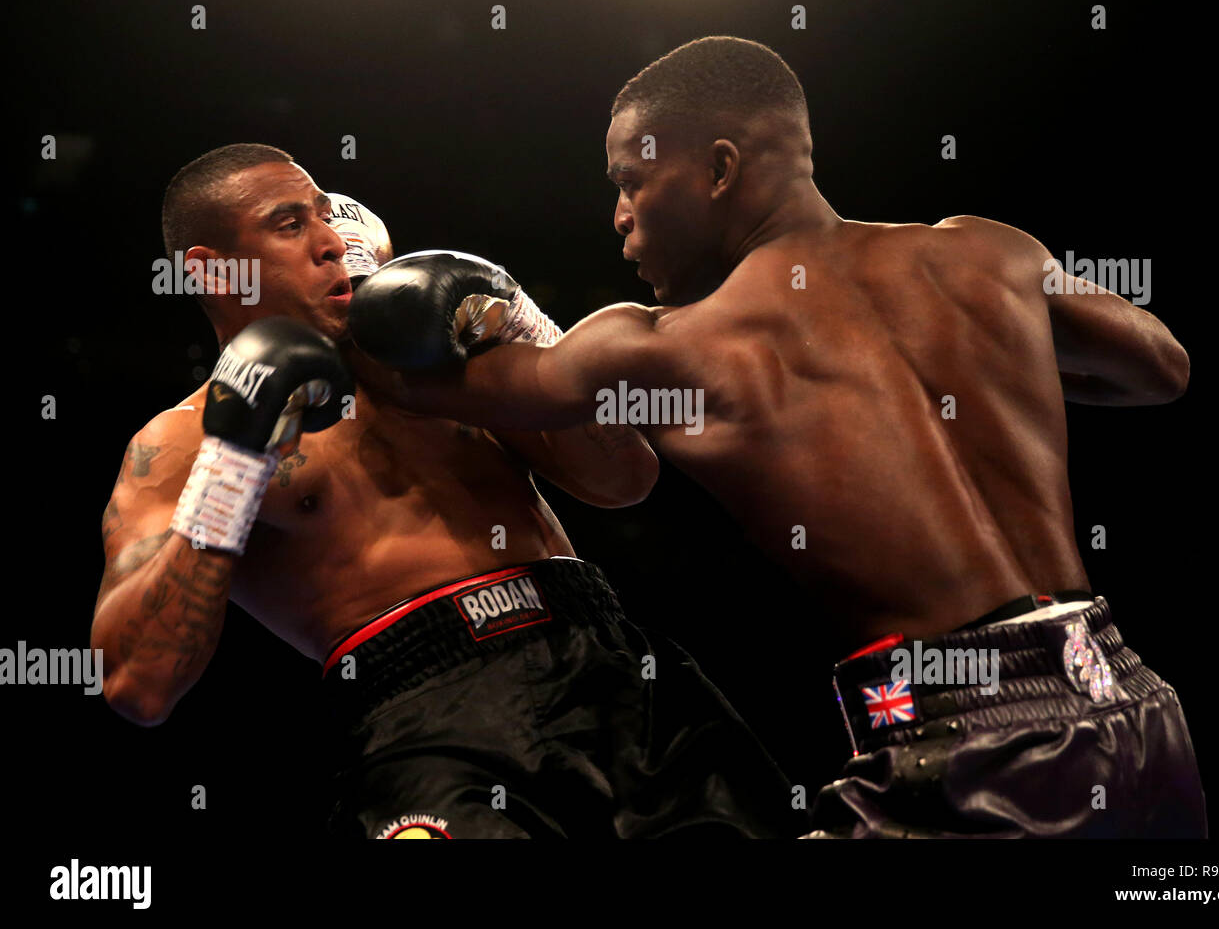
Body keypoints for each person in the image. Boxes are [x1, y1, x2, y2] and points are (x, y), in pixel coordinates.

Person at [354, 37, 1208, 837]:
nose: (618, 216)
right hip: (1138, 707)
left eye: (630, 182)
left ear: (719, 168)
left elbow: (425, 379)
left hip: (966, 752)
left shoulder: (674, 347)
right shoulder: (987, 254)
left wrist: (372, 309)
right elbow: (1162, 366)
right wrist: (990, 365)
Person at [91, 142, 802, 839]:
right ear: (214, 273)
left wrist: (524, 324)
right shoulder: (183, 444)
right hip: (429, 720)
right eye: (288, 224)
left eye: (323, 215)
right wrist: (234, 463)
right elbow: (138, 684)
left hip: (614, 661)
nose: (331, 242)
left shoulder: (429, 361)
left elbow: (624, 479)